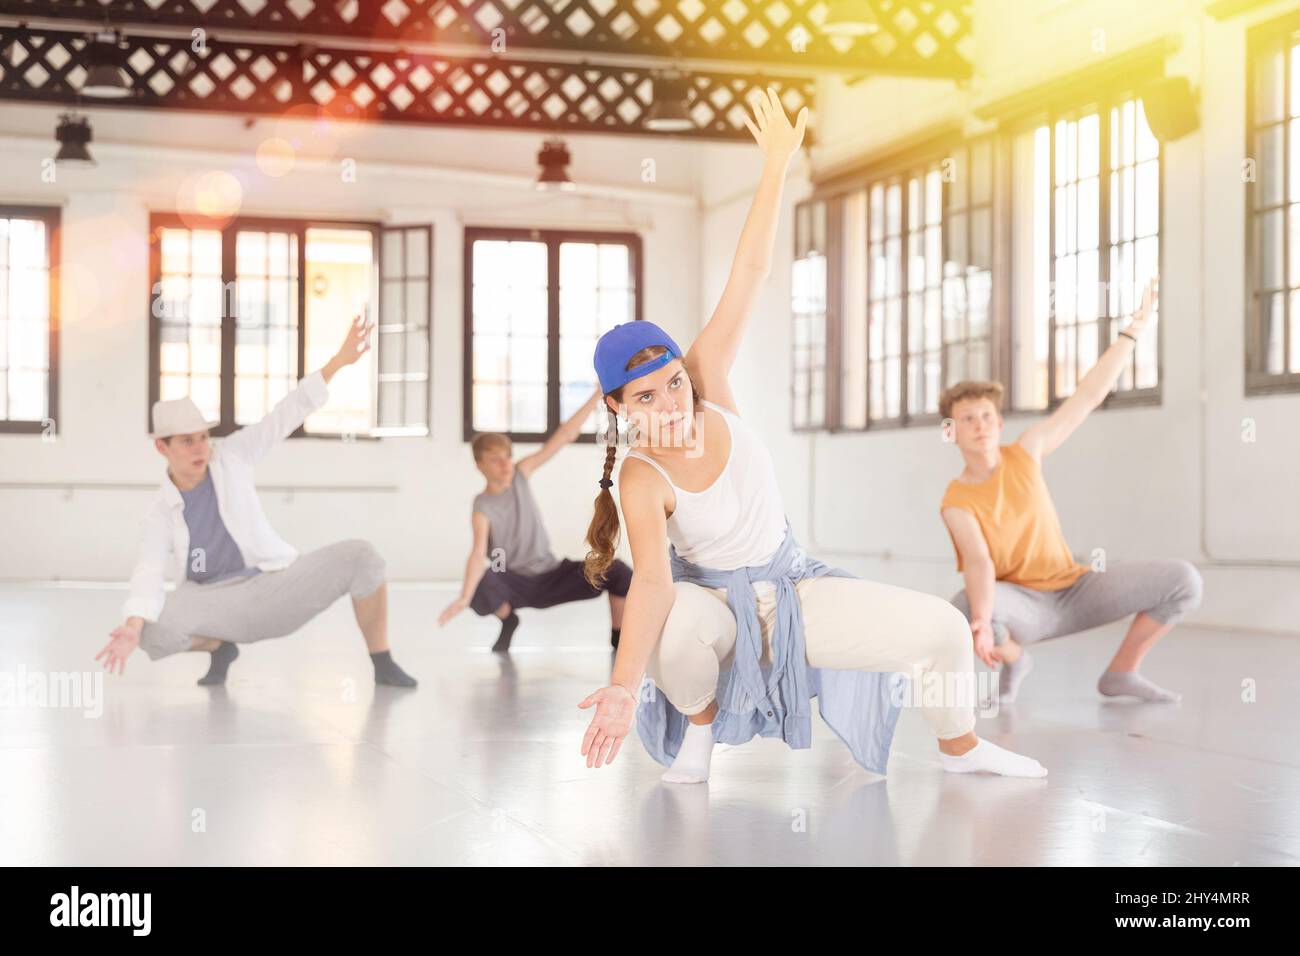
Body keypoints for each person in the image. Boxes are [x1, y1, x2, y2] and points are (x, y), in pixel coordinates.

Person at [574, 88, 1048, 784]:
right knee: (673, 630)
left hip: (792, 587)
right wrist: (620, 687)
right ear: (618, 406)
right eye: (646, 396)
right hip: (714, 609)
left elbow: (752, 272)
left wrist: (774, 168)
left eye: (674, 381)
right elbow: (649, 581)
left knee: (942, 630)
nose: (672, 400)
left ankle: (963, 748)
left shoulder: (710, 385)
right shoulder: (641, 475)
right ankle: (699, 733)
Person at [94, 316, 417, 689]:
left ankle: (382, 661)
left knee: (362, 555)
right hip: (211, 599)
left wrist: (337, 362)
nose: (201, 448)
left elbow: (284, 414)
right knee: (149, 634)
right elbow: (148, 571)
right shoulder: (159, 513)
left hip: (269, 588)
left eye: (203, 437)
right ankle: (220, 646)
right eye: (187, 441)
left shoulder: (232, 456)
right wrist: (132, 626)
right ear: (161, 447)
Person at [939, 278, 1202, 704]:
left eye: (986, 416)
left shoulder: (1026, 451)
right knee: (965, 608)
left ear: (999, 423)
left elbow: (1088, 395)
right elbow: (979, 562)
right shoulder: (956, 501)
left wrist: (1133, 329)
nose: (979, 425)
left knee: (1183, 580)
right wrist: (985, 621)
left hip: (1076, 592)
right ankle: (1015, 659)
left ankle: (1121, 673)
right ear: (950, 432)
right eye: (966, 419)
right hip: (1024, 607)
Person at [438, 389, 631, 652]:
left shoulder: (520, 474)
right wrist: (463, 596)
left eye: (507, 457)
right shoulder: (481, 506)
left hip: (551, 574)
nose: (505, 465)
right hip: (513, 579)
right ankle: (509, 620)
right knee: (480, 588)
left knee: (618, 571)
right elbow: (477, 553)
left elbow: (564, 436)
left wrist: (597, 394)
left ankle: (618, 639)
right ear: (479, 465)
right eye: (495, 461)